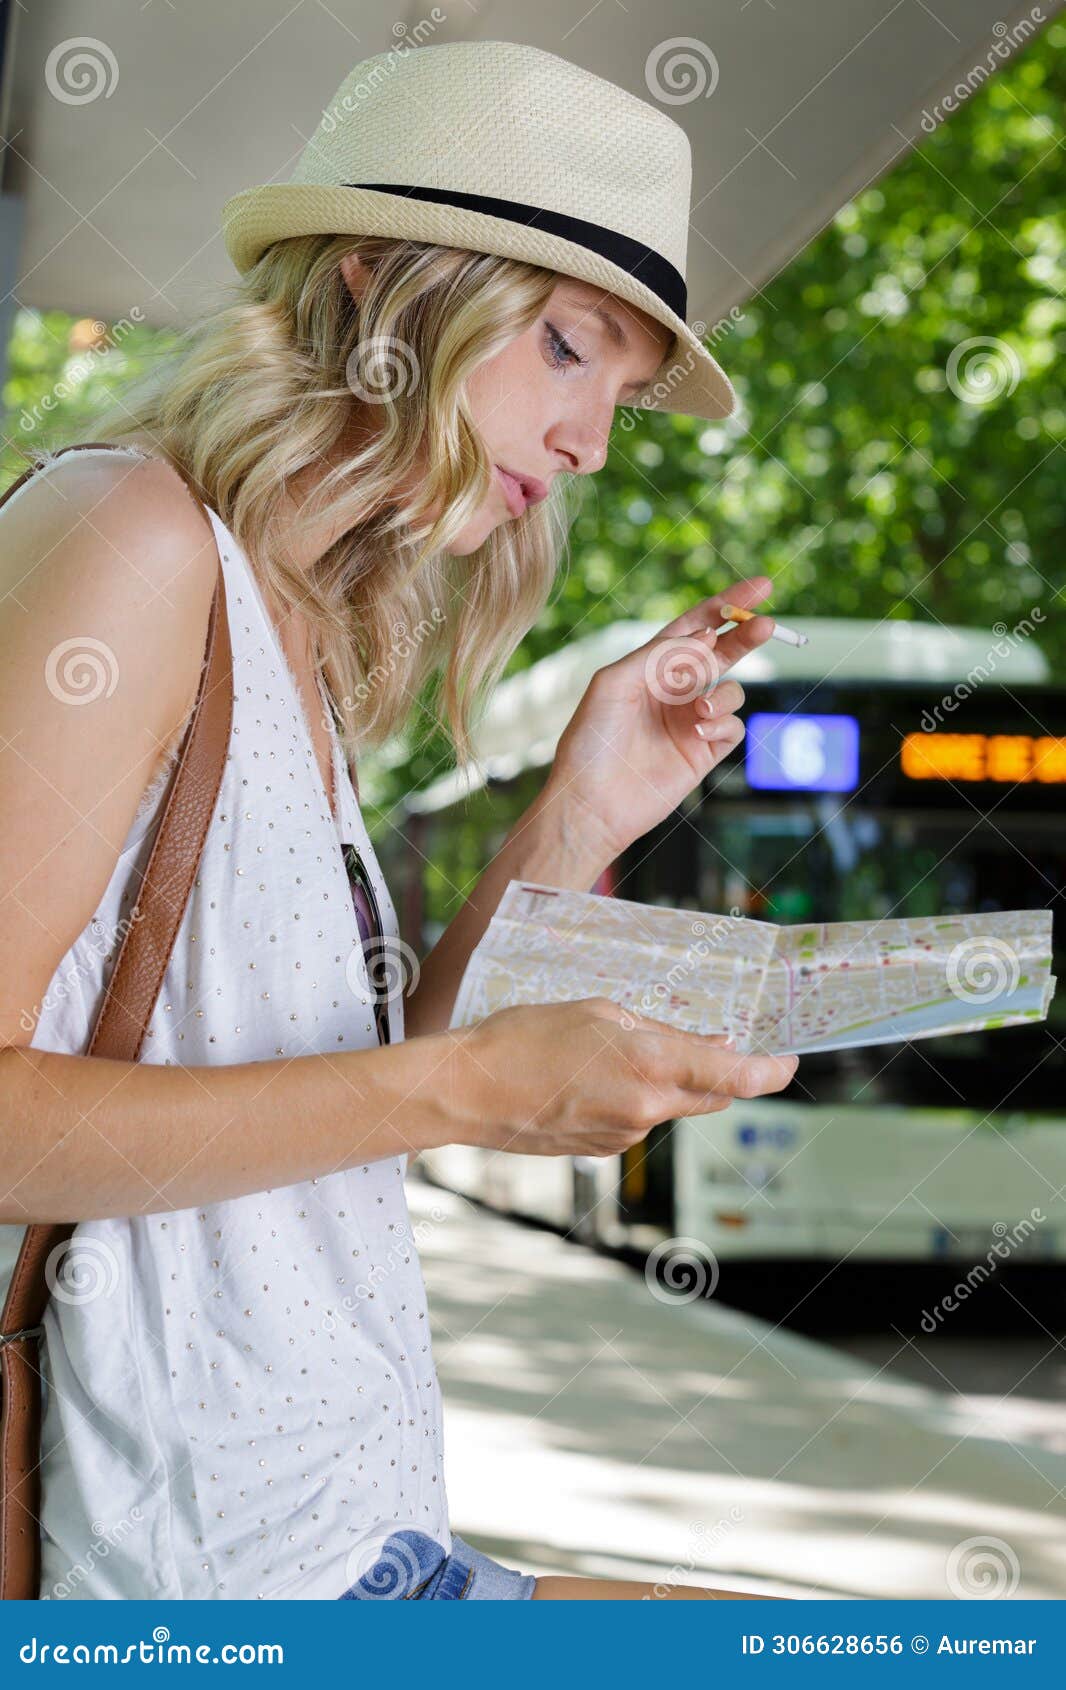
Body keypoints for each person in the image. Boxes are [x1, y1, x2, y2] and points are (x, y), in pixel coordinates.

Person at [0, 39, 796, 1601]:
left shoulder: (292, 619)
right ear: (375, 284)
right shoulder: (131, 538)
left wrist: (579, 805)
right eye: (566, 348)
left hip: (356, 1534)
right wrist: (467, 1081)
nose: (588, 445)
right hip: (207, 1586)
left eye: (618, 394)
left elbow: (360, 1096)